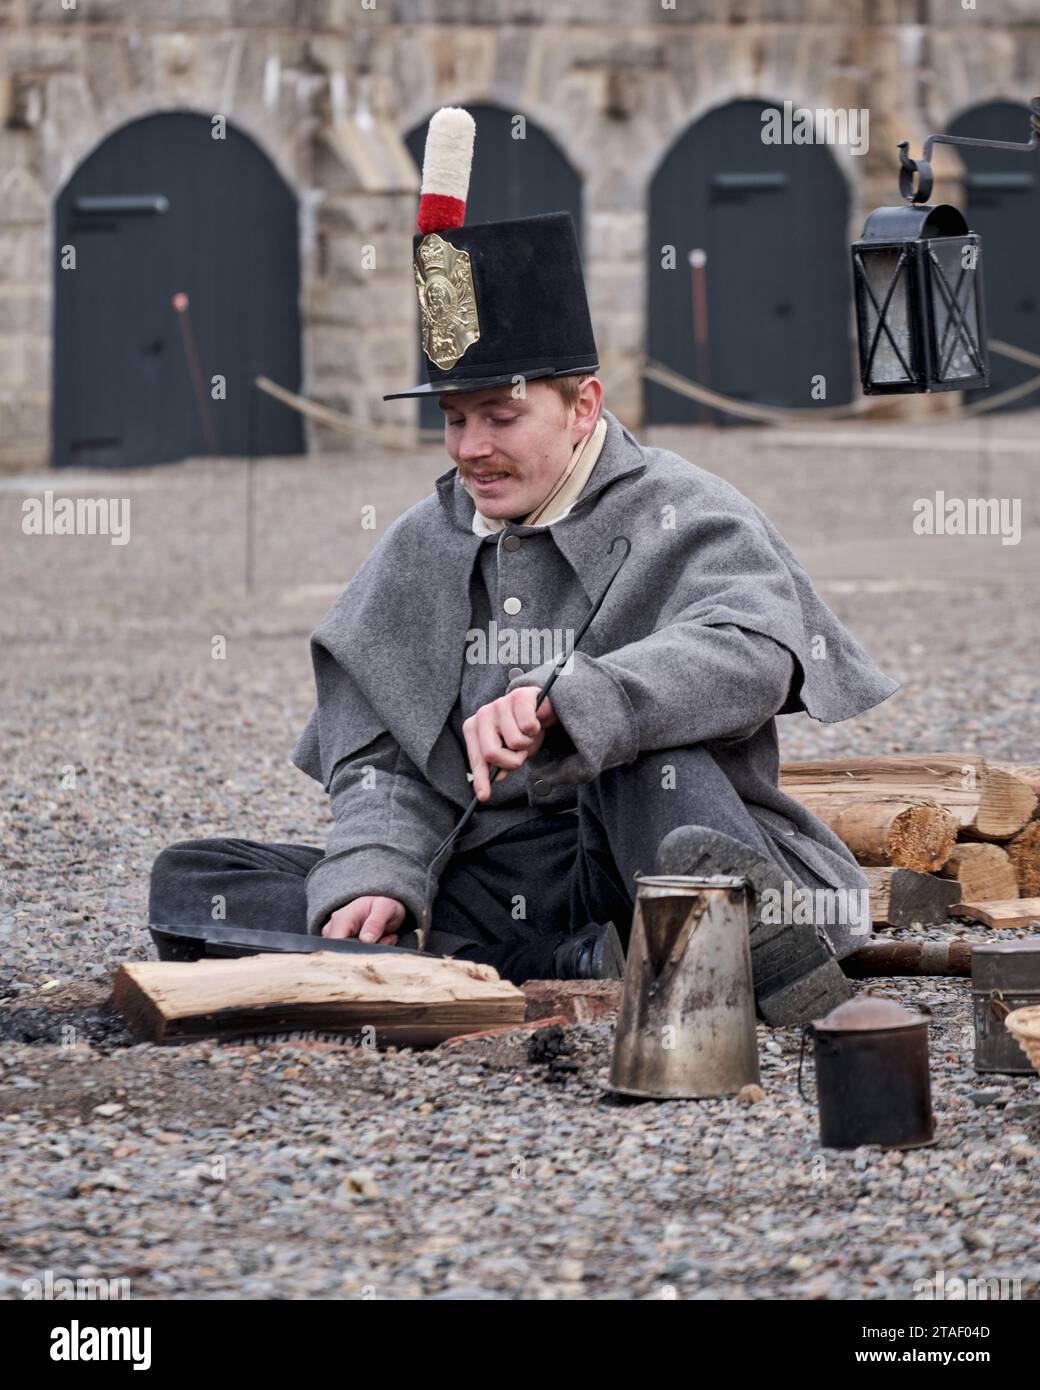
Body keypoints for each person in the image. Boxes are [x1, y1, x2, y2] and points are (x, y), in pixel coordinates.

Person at [149, 108, 899, 1024]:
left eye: (500, 418)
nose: (471, 447)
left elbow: (756, 654)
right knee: (194, 881)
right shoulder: (424, 543)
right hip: (496, 874)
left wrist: (574, 698)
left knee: (652, 769)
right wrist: (376, 873)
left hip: (649, 845)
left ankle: (724, 942)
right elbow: (383, 761)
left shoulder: (685, 507)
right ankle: (575, 960)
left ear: (582, 406)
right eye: (455, 419)